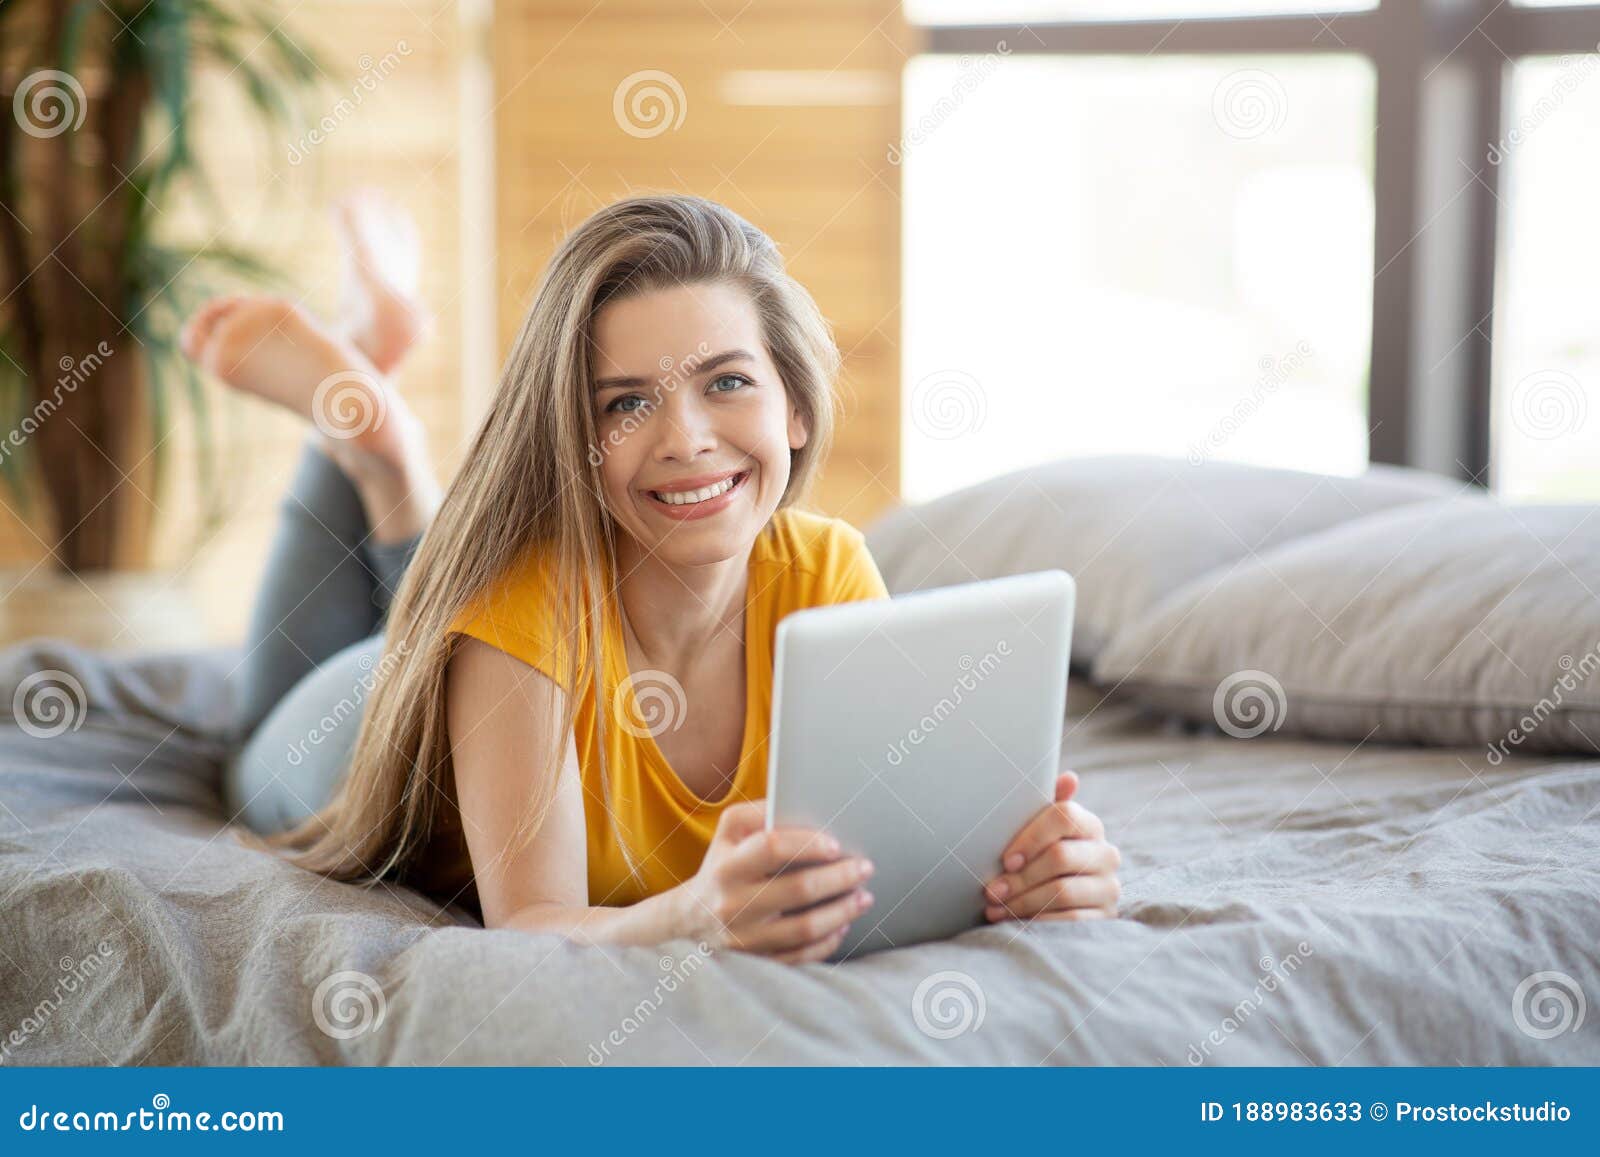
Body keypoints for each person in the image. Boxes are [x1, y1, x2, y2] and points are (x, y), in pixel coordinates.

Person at [190, 191, 1121, 965]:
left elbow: (896, 855)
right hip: (340, 733)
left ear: (795, 405)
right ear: (577, 443)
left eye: (727, 382)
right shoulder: (520, 609)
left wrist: (1031, 872)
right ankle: (379, 452)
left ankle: (385, 438)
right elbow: (534, 927)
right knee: (260, 728)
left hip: (497, 618)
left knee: (447, 572)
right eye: (627, 403)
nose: (686, 440)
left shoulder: (828, 571)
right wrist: (695, 917)